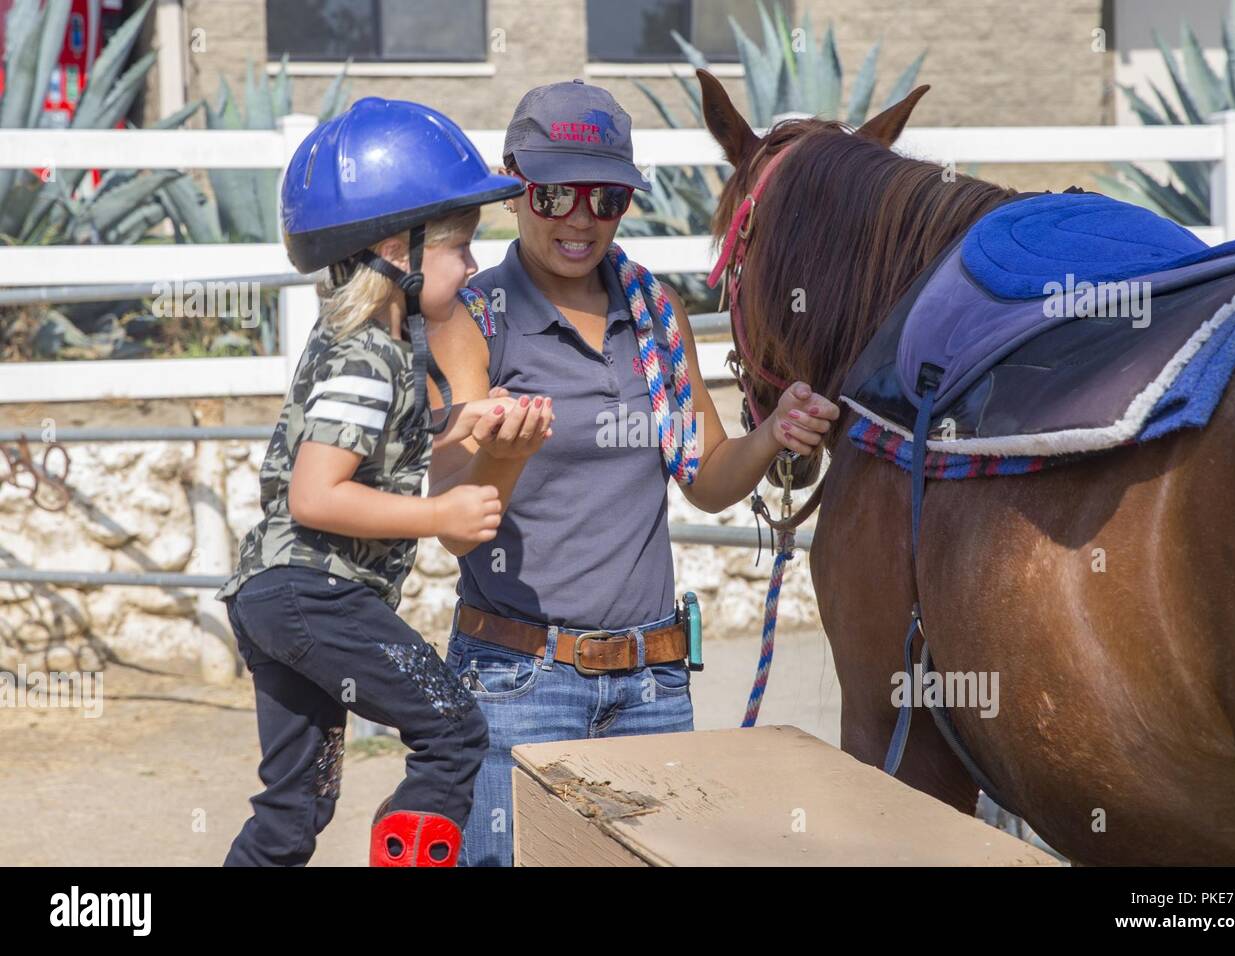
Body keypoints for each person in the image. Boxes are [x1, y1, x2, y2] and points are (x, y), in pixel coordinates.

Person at [427, 80, 840, 866]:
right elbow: (453, 519)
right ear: (515, 188)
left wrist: (773, 434)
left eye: (606, 196)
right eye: (555, 192)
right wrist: (504, 457)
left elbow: (708, 478)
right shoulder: (473, 320)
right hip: (518, 681)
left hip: (652, 684)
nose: (581, 218)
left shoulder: (656, 311)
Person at [215, 97, 554, 866]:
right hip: (317, 595)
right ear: (398, 249)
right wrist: (439, 515)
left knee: (297, 804)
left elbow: (367, 449)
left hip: (277, 594)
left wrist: (461, 421)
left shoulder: (364, 347)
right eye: (460, 248)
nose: (471, 267)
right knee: (454, 729)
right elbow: (318, 495)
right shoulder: (370, 358)